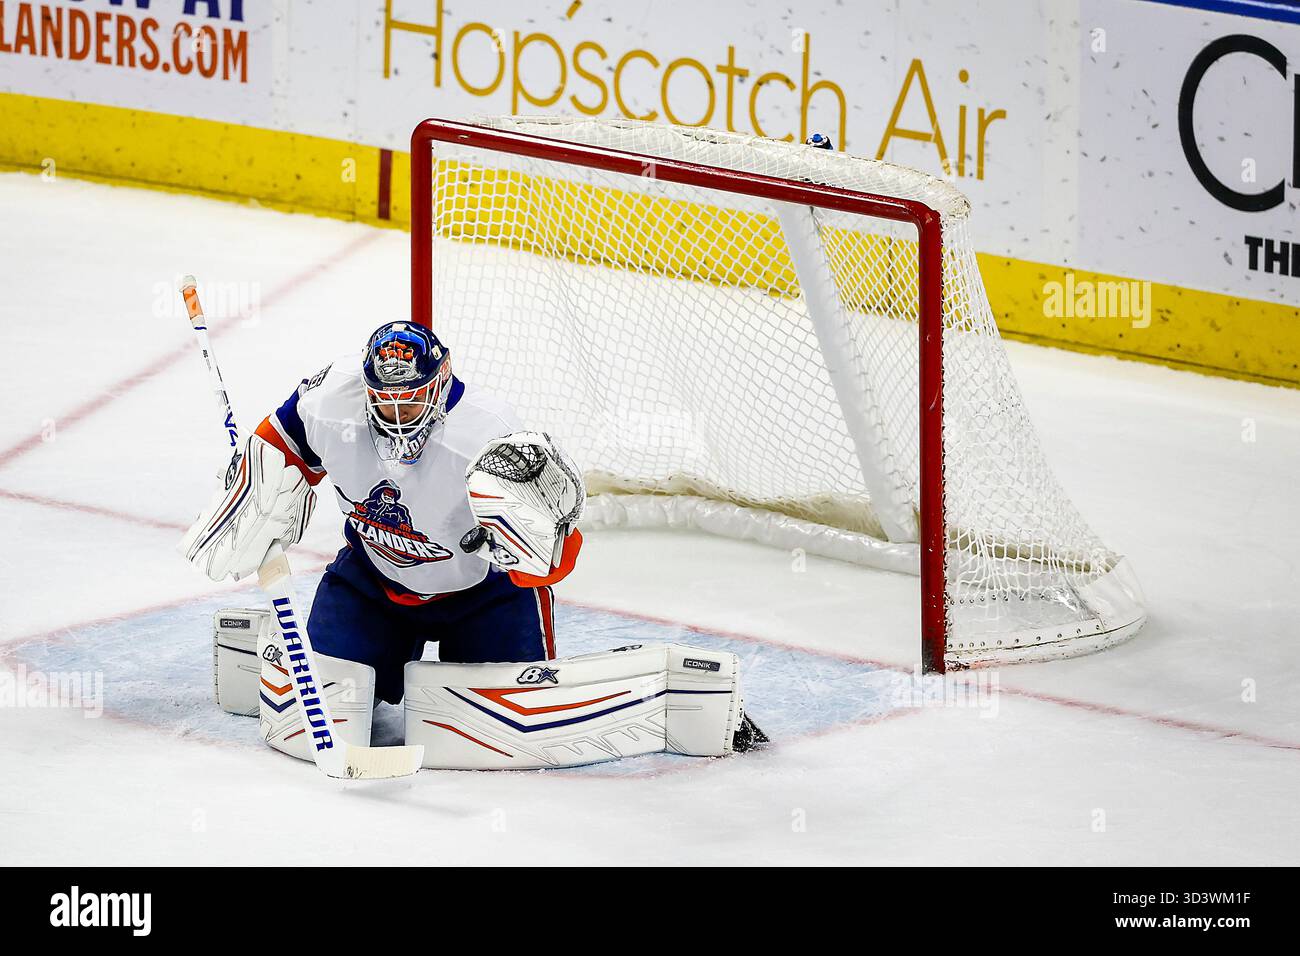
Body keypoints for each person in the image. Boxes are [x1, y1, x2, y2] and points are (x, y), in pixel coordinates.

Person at [181, 321, 584, 705]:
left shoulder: (487, 432)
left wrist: (529, 550)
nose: (396, 414)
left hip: (482, 595)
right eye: (384, 401)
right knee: (330, 703)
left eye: (410, 399)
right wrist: (254, 489)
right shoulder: (332, 403)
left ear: (441, 381)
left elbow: (553, 552)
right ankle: (279, 648)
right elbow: (278, 448)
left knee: (508, 710)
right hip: (372, 584)